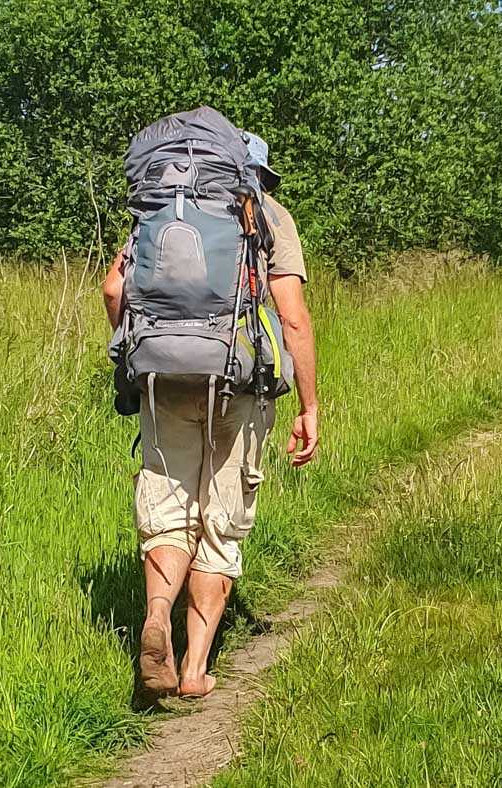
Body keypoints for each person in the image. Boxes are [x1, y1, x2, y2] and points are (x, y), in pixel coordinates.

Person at [101, 131, 319, 698]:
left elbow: (112, 289)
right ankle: (195, 669)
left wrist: (141, 351)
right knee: (220, 521)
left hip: (163, 376)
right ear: (258, 176)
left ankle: (155, 615)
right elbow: (292, 318)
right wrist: (310, 405)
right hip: (239, 386)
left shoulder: (160, 202)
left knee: (168, 505)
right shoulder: (270, 215)